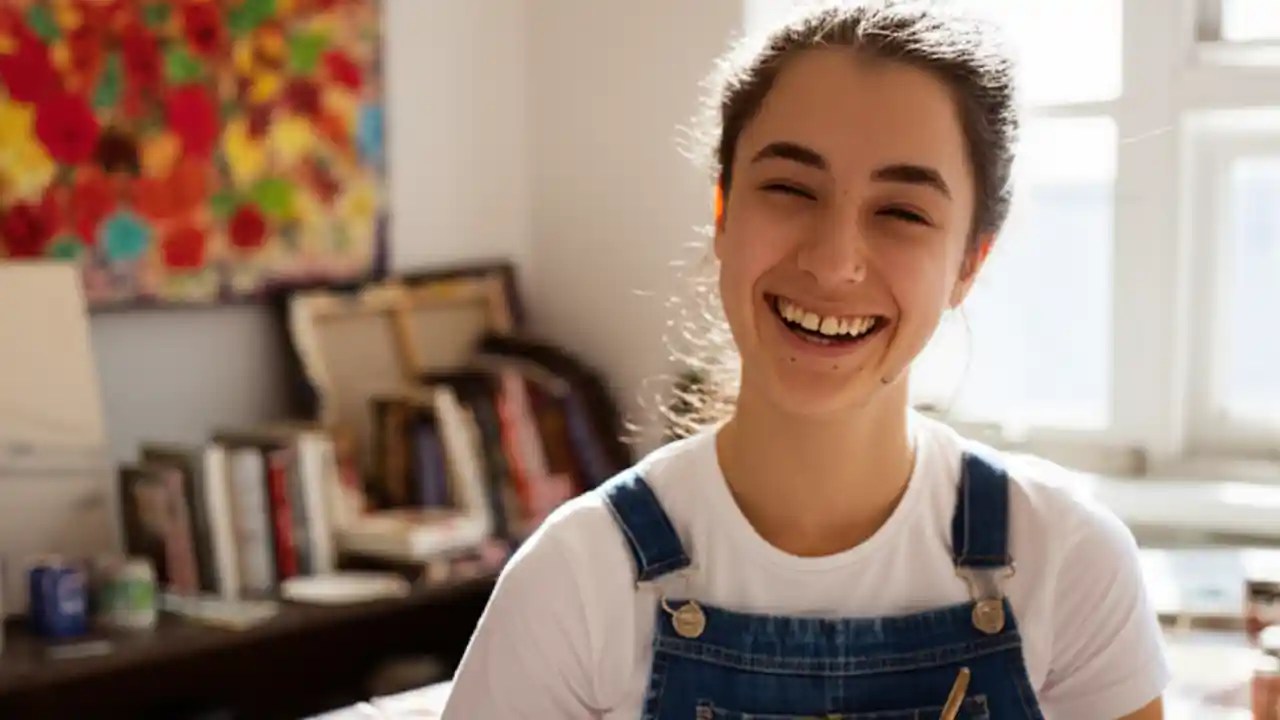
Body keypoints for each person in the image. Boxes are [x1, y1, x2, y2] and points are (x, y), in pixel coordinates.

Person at [443, 2, 1170, 718]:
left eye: (903, 212)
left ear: (967, 265)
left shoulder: (1068, 563)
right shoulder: (576, 581)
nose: (831, 262)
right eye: (790, 189)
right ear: (723, 212)